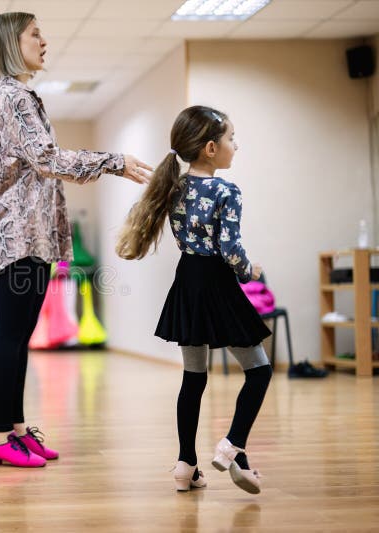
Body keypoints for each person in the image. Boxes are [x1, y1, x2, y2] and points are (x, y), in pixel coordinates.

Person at [0, 12, 153, 468]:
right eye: (35, 33)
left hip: (32, 238)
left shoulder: (23, 98)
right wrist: (113, 161)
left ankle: (14, 430)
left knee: (19, 339)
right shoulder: (13, 99)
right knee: (9, 336)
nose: (44, 40)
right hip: (15, 239)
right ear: (11, 43)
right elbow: (47, 158)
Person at [117, 106, 272, 494]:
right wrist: (248, 270)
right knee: (259, 370)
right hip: (218, 284)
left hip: (187, 280)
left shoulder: (174, 187)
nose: (236, 145)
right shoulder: (226, 191)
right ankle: (233, 444)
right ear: (209, 148)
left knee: (193, 377)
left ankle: (186, 464)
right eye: (231, 139)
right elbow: (229, 247)